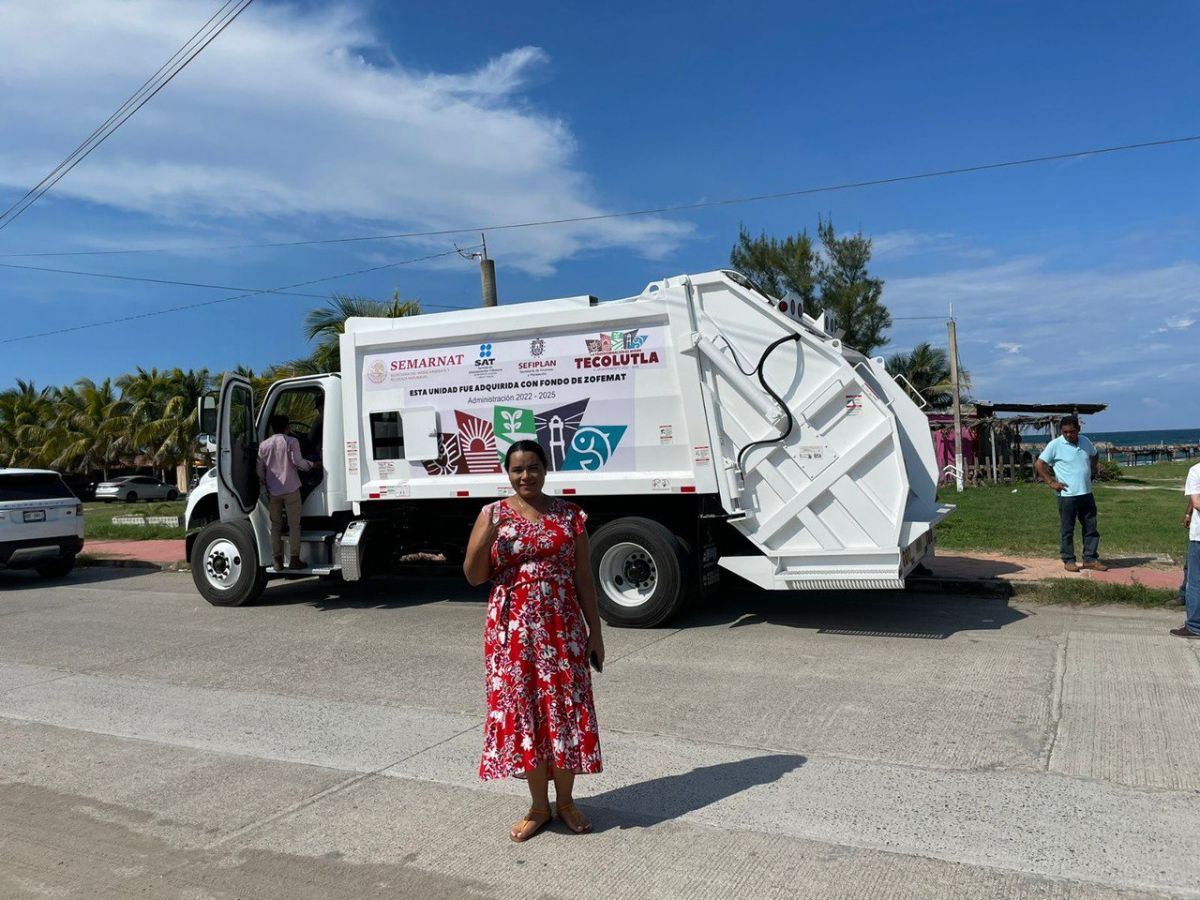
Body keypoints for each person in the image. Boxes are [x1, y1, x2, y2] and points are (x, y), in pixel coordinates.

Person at [463, 439, 605, 842]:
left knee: (563, 712)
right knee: (526, 713)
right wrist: (488, 533)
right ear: (507, 473)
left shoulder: (571, 516)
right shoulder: (493, 514)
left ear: (546, 469)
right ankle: (538, 807)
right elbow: (474, 575)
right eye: (517, 470)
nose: (525, 476)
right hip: (513, 633)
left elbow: (583, 578)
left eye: (533, 467)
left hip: (563, 631)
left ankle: (566, 802)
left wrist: (595, 631)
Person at [1035, 416, 1107, 572]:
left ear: (1078, 430)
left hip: (1086, 493)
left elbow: (1094, 454)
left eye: (1072, 432)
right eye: (1065, 432)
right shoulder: (1055, 445)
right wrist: (1051, 482)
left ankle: (1090, 558)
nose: (1068, 435)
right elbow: (1039, 464)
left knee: (1091, 528)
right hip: (1067, 495)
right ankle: (1068, 559)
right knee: (1067, 529)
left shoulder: (1085, 441)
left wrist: (1093, 469)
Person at [256, 414, 319, 570]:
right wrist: (313, 465)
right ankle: (294, 560)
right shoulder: (292, 441)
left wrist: (265, 482)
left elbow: (259, 469)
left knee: (275, 526)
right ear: (287, 427)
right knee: (294, 525)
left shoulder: (264, 445)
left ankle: (277, 561)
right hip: (291, 489)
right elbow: (299, 463)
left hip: (274, 492)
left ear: (272, 428)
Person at [1170, 460, 1200, 638]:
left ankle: (1195, 625)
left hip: (1199, 537)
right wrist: (1188, 514)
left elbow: (1196, 501)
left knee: (1195, 581)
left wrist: (1189, 513)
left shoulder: (1196, 470)